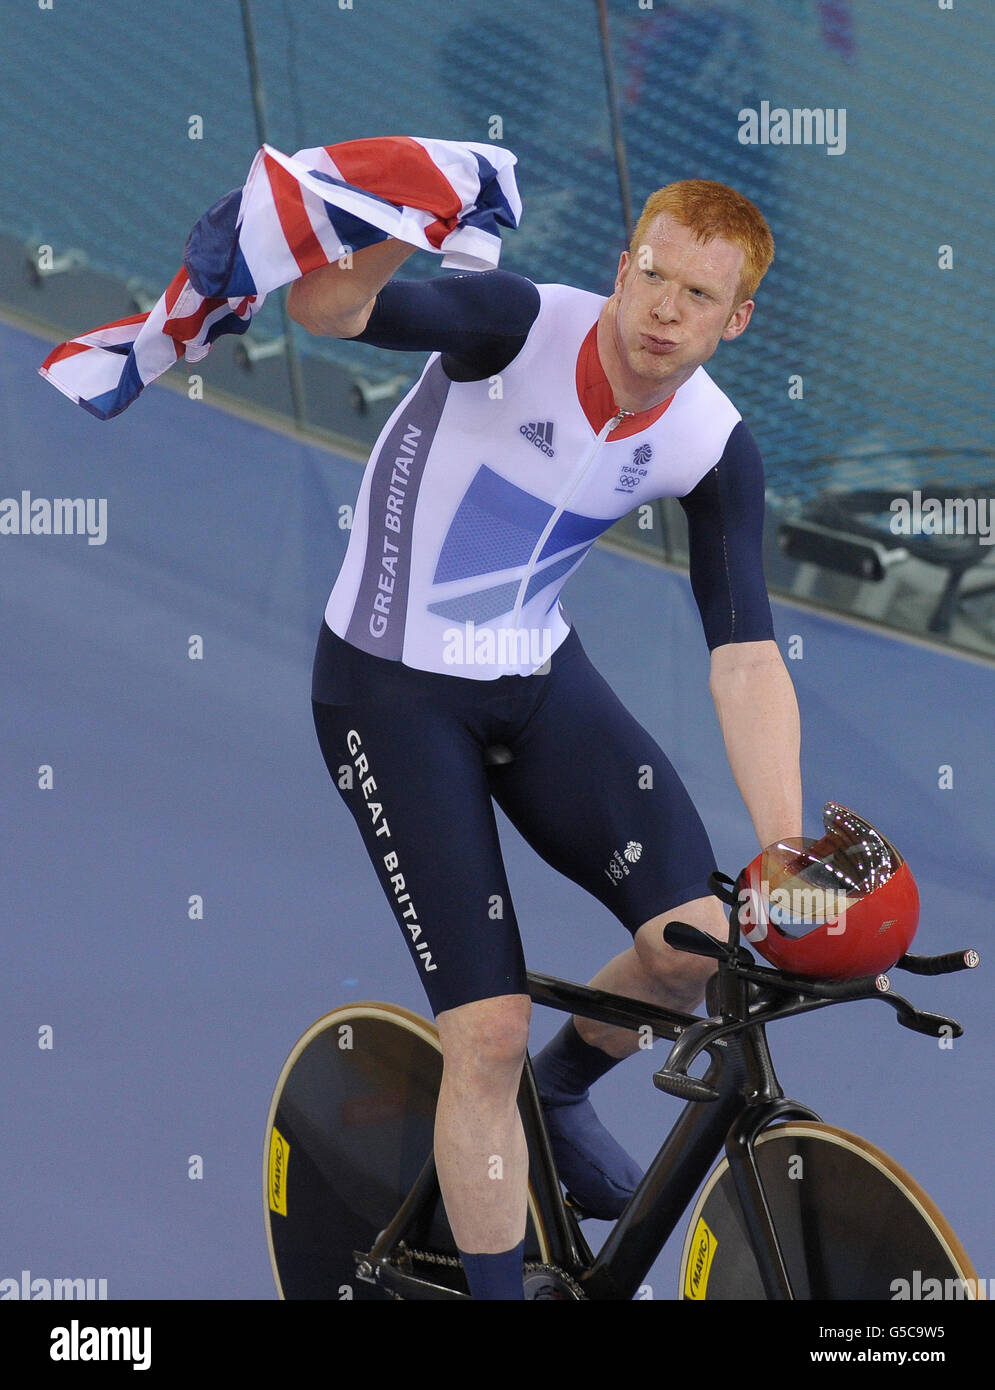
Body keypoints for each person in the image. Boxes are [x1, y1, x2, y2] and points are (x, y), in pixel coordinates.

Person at [289, 178, 802, 1300]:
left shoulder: (712, 445)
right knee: (483, 1035)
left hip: (532, 677)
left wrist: (781, 846)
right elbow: (327, 310)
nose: (665, 307)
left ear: (735, 320)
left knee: (690, 943)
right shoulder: (511, 324)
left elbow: (747, 658)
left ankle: (563, 1092)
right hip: (388, 691)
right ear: (623, 266)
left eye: (698, 294)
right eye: (652, 274)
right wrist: (389, 219)